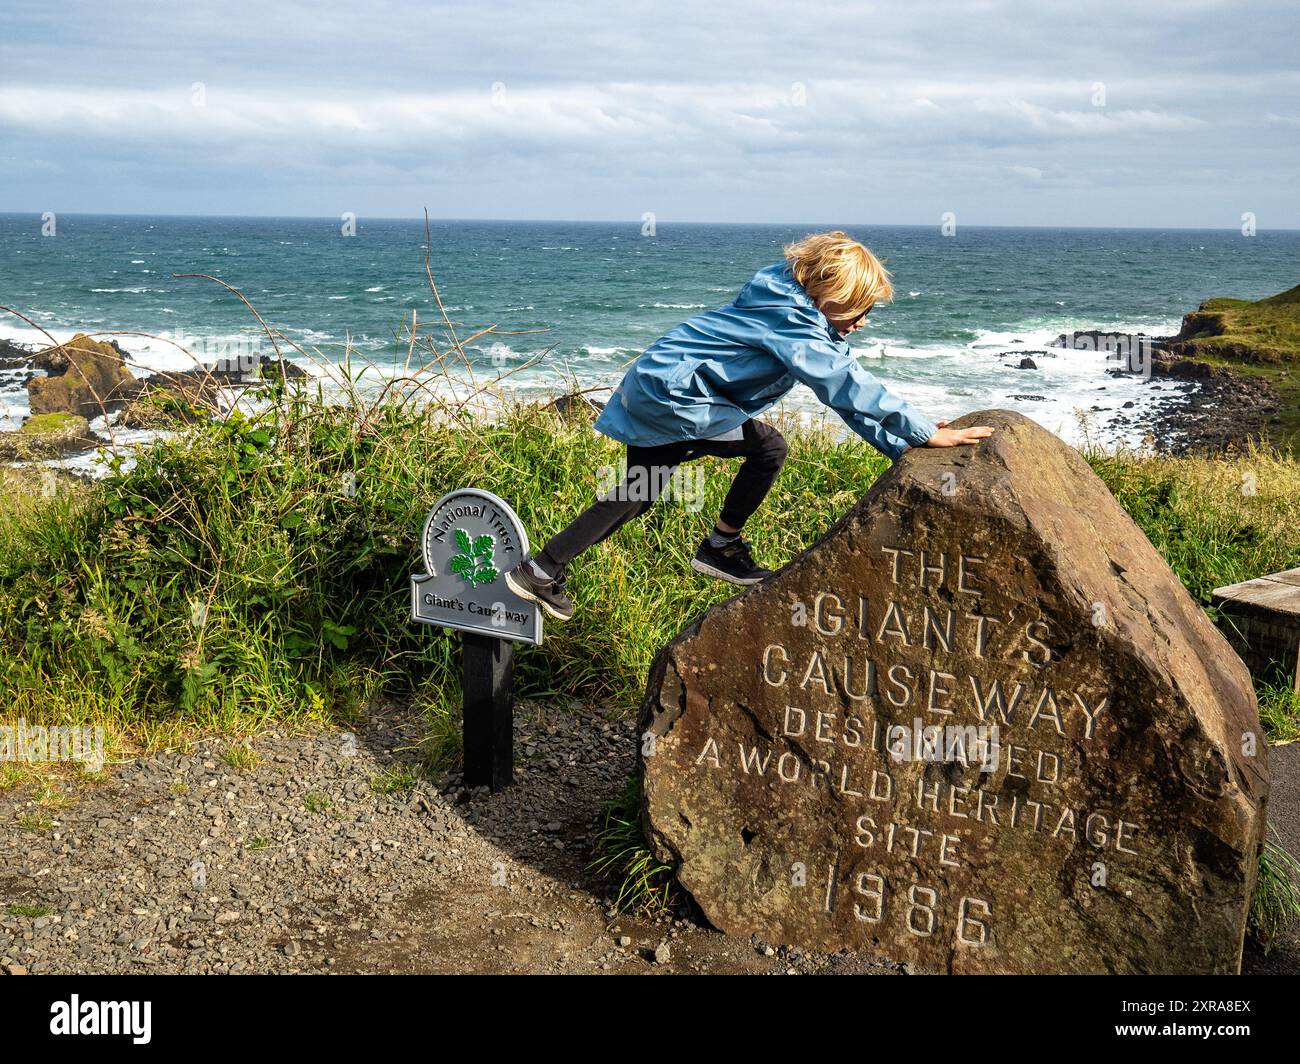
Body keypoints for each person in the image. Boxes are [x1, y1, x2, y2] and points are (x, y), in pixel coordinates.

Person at [505, 230, 994, 621]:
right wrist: (925, 431)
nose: (864, 321)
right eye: (860, 308)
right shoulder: (794, 324)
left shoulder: (789, 309)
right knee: (768, 448)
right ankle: (721, 546)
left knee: (639, 491)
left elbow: (841, 396)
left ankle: (540, 569)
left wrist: (902, 443)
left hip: (656, 386)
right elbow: (846, 384)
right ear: (832, 294)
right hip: (678, 399)